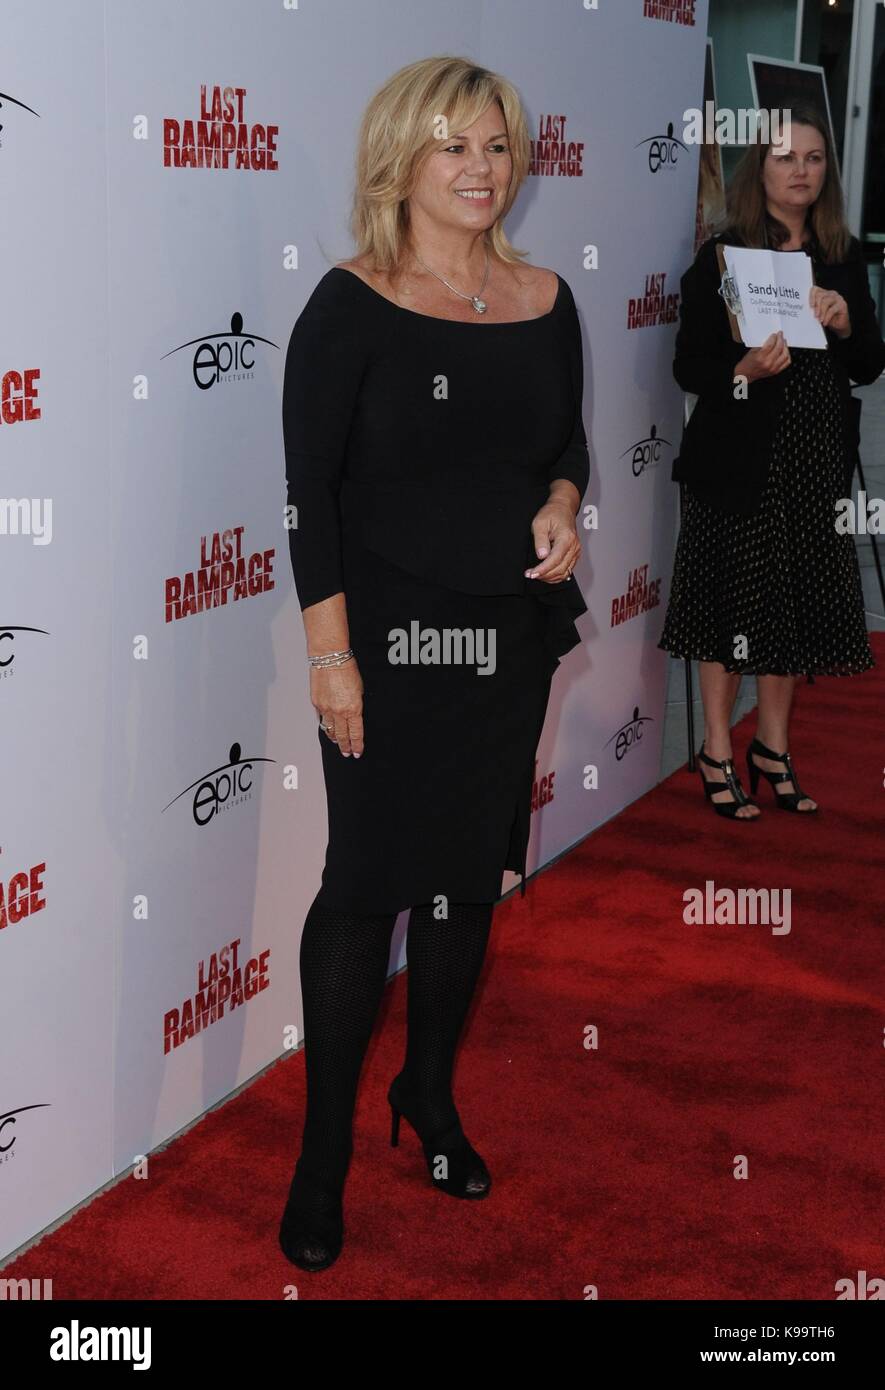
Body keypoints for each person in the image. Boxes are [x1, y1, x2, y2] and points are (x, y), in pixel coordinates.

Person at [278, 55, 589, 1271]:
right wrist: (331, 661)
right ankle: (321, 1156)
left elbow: (565, 447)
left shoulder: (546, 296)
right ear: (402, 160)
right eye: (454, 145)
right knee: (364, 886)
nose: (480, 168)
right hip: (385, 653)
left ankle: (432, 1099)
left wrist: (564, 503)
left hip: (504, 642)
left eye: (498, 146)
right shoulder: (350, 305)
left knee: (465, 883)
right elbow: (310, 501)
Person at [659, 105, 885, 820]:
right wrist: (744, 369)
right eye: (787, 158)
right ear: (760, 168)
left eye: (815, 159)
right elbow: (689, 369)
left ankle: (772, 748)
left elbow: (870, 365)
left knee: (797, 606)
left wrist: (846, 323)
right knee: (731, 606)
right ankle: (717, 749)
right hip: (738, 462)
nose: (802, 171)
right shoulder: (720, 256)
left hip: (816, 461)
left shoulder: (842, 255)